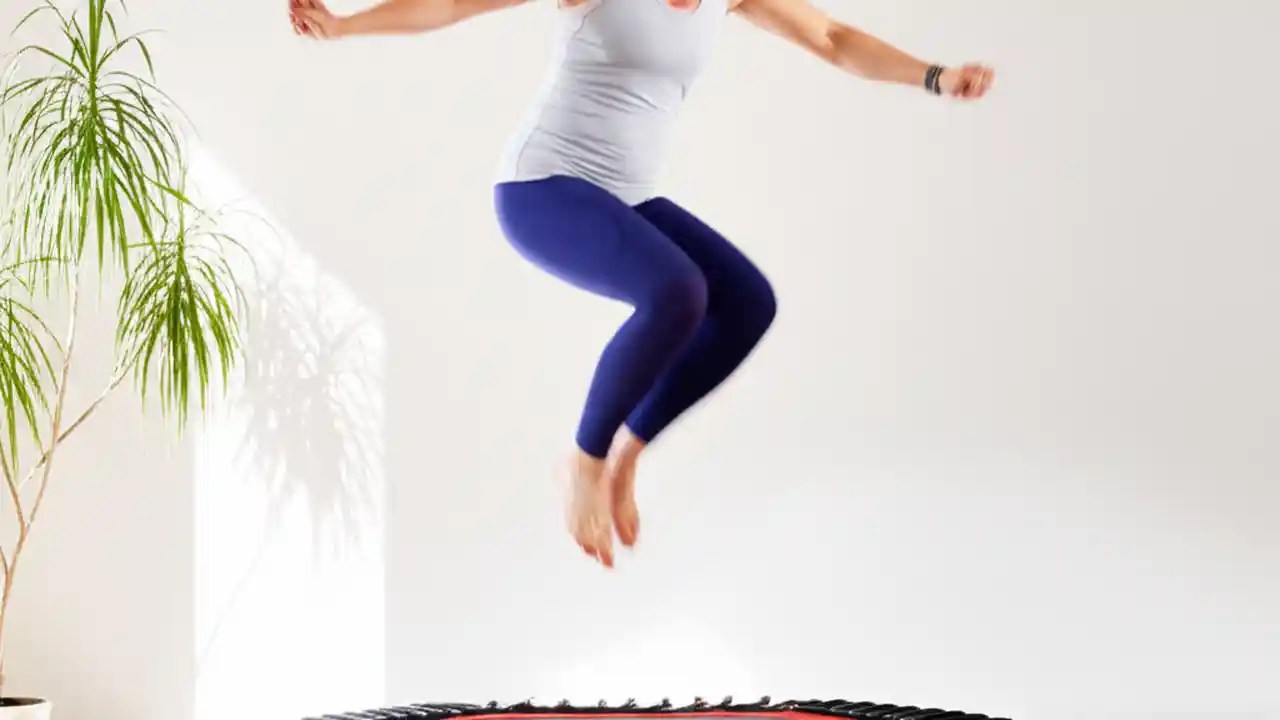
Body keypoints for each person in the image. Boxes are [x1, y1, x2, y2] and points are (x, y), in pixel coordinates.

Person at [289, 0, 996, 569]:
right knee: (677, 291)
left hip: (627, 197)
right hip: (542, 188)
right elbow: (451, 5)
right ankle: (582, 463)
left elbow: (834, 38)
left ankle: (626, 454)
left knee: (746, 303)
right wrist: (345, 25)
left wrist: (935, 76)